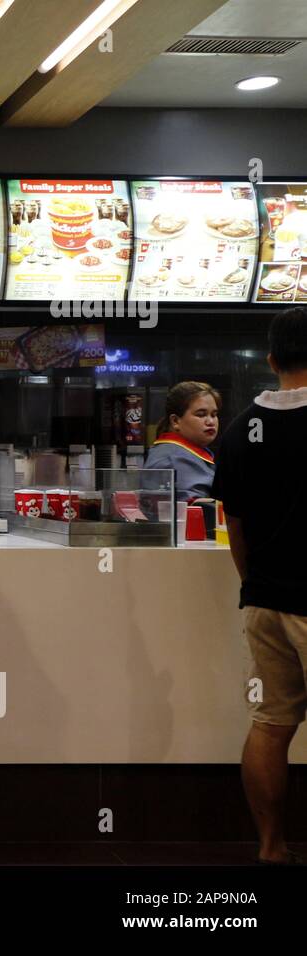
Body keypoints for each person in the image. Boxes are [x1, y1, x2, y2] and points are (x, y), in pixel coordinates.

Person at [211, 306, 307, 866]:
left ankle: (271, 848)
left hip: (266, 601)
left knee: (271, 725)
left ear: (271, 361)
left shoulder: (239, 430)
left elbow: (236, 527)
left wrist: (255, 585)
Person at [145, 381, 221, 501]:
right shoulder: (171, 458)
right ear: (175, 421)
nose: (210, 421)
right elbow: (192, 512)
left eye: (214, 414)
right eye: (201, 415)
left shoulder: (187, 452)